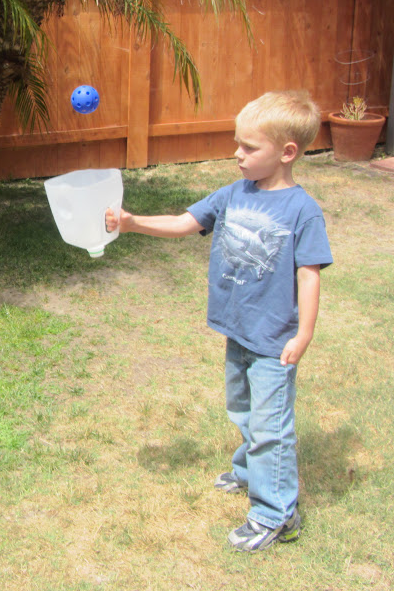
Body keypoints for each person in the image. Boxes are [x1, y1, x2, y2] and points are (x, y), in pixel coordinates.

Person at [106, 90, 333, 552]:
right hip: (238, 330)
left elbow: (308, 275)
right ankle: (251, 472)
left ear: (287, 152)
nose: (237, 154)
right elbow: (185, 222)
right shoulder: (234, 193)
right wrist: (131, 223)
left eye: (249, 148)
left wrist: (304, 333)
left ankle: (276, 514)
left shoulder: (301, 210)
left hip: (273, 339)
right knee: (243, 410)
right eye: (237, 143)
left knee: (273, 426)